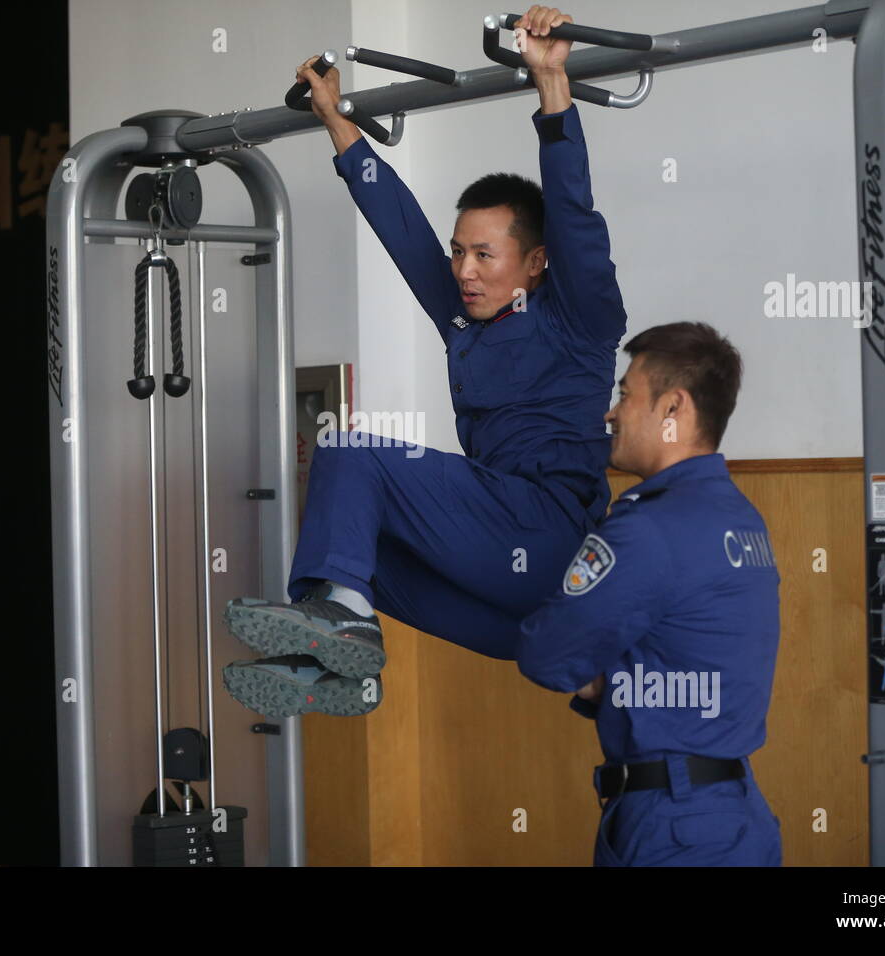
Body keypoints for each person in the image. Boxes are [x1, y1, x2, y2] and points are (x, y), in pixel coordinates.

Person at [222, 6, 627, 718]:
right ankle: (341, 664)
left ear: (535, 262)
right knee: (362, 549)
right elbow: (399, 221)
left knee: (346, 452)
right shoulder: (462, 317)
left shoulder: (580, 318)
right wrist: (335, 120)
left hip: (549, 532)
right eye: (459, 251)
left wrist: (552, 85)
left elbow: (575, 211)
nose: (464, 269)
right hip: (515, 606)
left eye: (484, 254)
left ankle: (337, 623)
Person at [517, 321, 782, 866]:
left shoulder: (650, 529)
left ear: (672, 409)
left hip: (674, 824)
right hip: (736, 814)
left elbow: (546, 655)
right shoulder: (739, 518)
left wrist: (600, 675)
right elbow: (685, 649)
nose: (611, 413)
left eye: (624, 394)